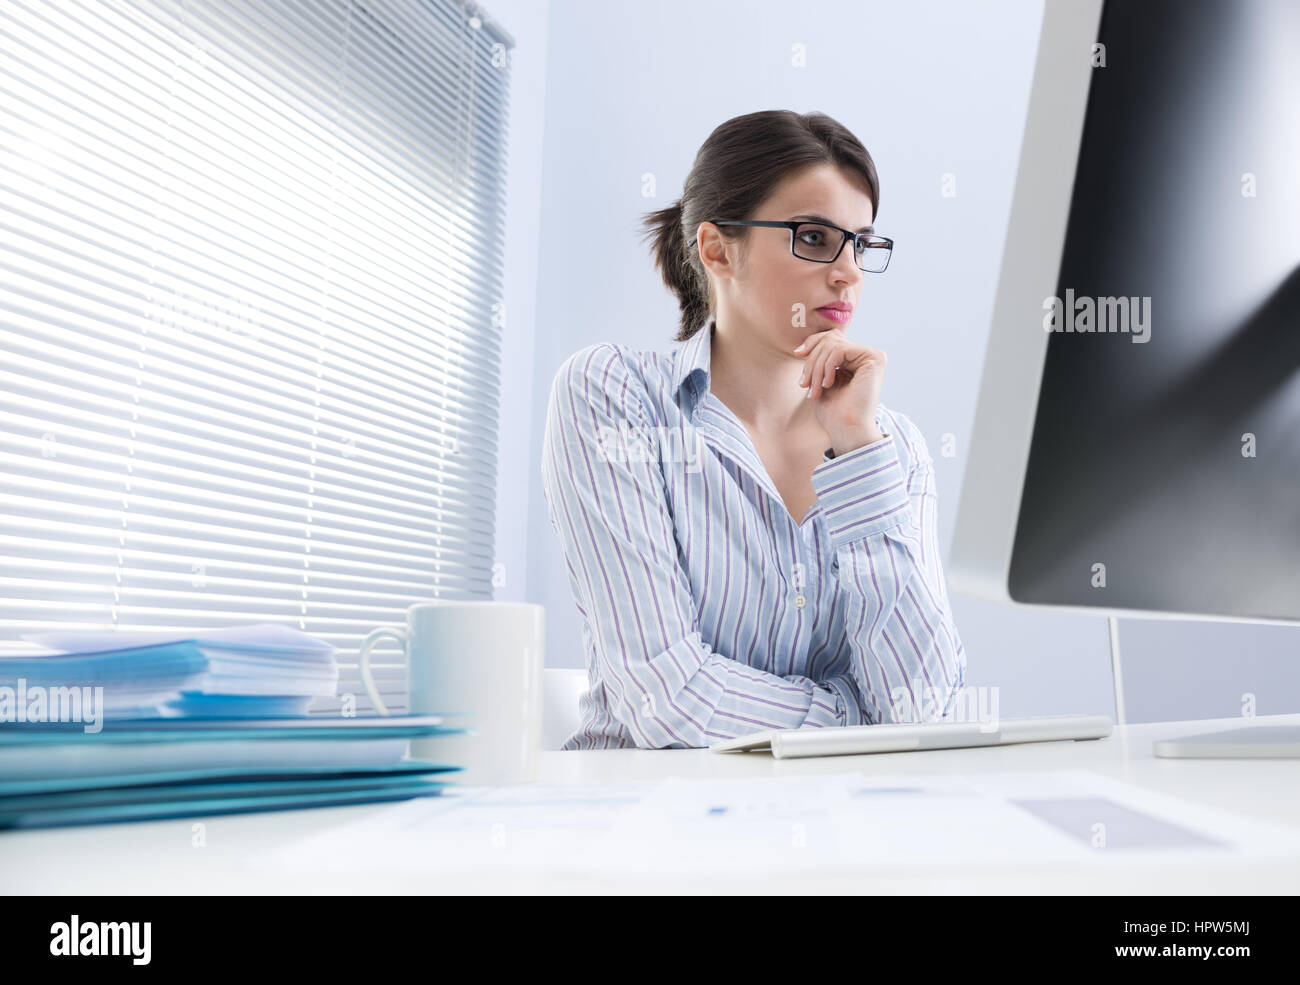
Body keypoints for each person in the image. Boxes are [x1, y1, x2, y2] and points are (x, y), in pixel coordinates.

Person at [541, 109, 967, 750]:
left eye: (862, 243)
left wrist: (856, 448)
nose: (849, 270)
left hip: (838, 826)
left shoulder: (890, 449)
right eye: (815, 238)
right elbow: (670, 698)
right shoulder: (616, 396)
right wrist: (860, 725)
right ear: (717, 249)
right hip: (649, 826)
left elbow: (924, 707)